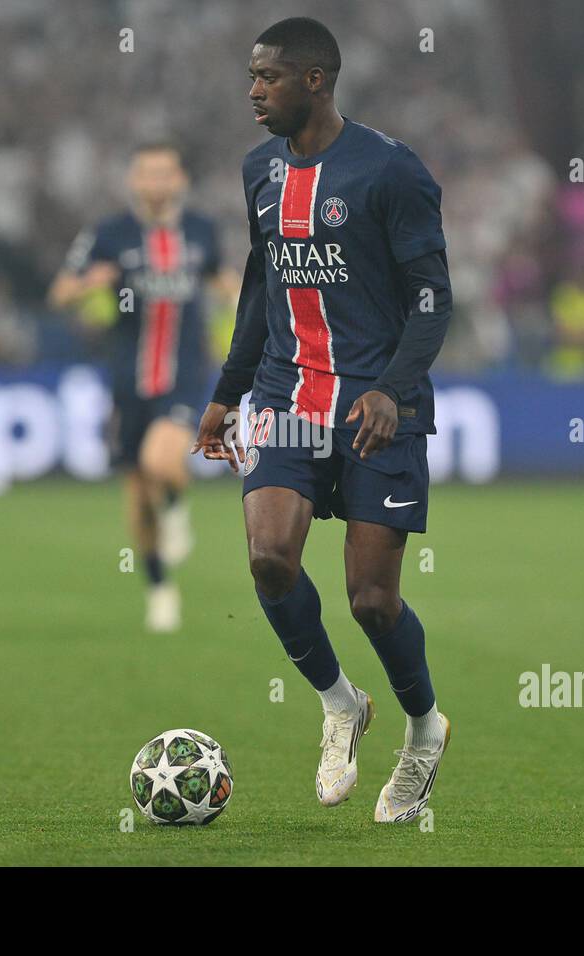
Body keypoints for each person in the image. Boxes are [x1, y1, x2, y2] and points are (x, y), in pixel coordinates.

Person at [191, 17, 453, 823]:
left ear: (316, 79)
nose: (253, 90)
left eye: (267, 76)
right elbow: (262, 285)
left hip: (376, 410)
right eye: (250, 75)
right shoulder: (259, 170)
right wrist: (228, 392)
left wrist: (394, 388)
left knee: (372, 600)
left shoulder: (391, 171)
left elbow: (433, 298)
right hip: (287, 396)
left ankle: (422, 729)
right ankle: (341, 704)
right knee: (270, 558)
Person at [51, 142, 237, 632]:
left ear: (179, 180)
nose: (156, 183)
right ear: (134, 181)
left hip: (185, 373)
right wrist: (91, 283)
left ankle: (177, 508)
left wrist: (249, 301)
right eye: (147, 174)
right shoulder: (108, 234)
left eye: (165, 173)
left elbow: (224, 281)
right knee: (136, 494)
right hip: (127, 379)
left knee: (162, 460)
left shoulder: (200, 231)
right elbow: (61, 292)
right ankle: (159, 586)